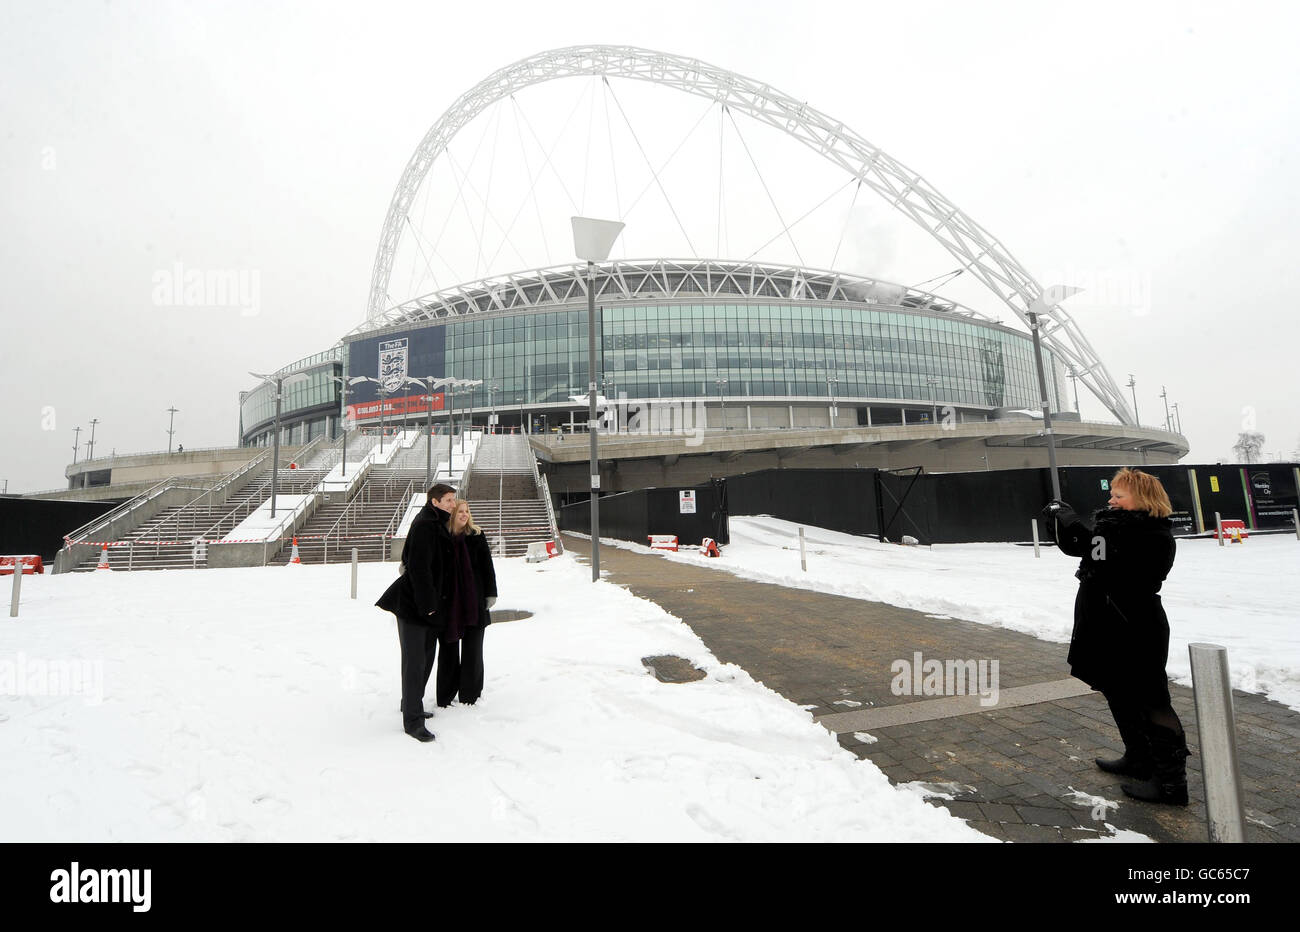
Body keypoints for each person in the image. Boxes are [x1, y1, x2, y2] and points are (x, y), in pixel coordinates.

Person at [1043, 468, 1190, 806]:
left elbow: (1096, 550)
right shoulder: (1118, 525)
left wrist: (1068, 520)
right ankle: (1138, 758)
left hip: (1135, 628)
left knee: (1152, 700)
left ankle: (1171, 785)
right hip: (1107, 626)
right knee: (1118, 691)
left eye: (1119, 495)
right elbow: (1083, 548)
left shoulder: (1150, 532)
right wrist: (1058, 521)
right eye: (1112, 494)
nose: (1111, 499)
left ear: (1142, 499)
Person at [376, 483, 458, 742]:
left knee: (425, 659)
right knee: (415, 663)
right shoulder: (425, 524)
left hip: (428, 606)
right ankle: (413, 721)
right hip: (414, 606)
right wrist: (429, 607)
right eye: (447, 500)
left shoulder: (436, 523)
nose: (452, 505)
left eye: (453, 500)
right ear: (434, 502)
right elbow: (419, 569)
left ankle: (411, 703)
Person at [436, 499, 498, 708]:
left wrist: (491, 593)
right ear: (453, 515)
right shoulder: (443, 536)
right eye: (460, 511)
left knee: (473, 649)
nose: (464, 515)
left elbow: (487, 567)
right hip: (450, 603)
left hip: (474, 601)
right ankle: (446, 694)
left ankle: (470, 694)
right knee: (448, 650)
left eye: (467, 511)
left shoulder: (477, 536)